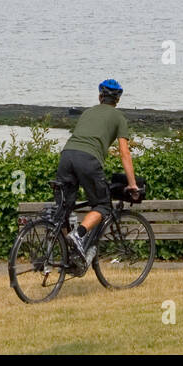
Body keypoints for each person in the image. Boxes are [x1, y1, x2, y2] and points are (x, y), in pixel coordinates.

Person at [58, 78, 139, 263]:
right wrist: (132, 184)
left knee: (63, 209)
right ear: (117, 100)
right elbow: (124, 153)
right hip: (88, 159)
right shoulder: (119, 118)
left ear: (99, 96)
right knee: (103, 205)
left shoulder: (87, 113)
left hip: (66, 155)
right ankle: (78, 235)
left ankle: (69, 258)